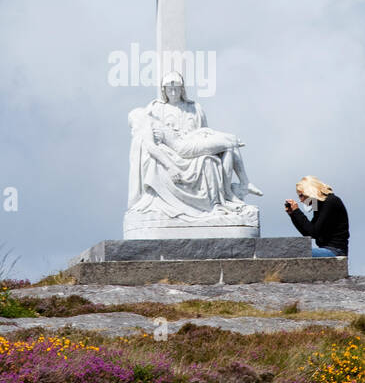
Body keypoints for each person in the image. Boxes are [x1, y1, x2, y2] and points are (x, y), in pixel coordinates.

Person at [127, 72, 262, 220]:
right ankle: (233, 191)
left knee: (224, 147)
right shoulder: (152, 112)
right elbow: (151, 145)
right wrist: (170, 165)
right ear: (163, 90)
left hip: (193, 142)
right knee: (229, 143)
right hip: (179, 150)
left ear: (182, 89)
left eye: (176, 88)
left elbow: (203, 131)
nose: (173, 92)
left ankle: (230, 192)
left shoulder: (194, 108)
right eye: (169, 89)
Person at [285, 175, 349, 257]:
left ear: (309, 191)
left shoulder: (330, 201)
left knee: (297, 253)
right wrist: (293, 215)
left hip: (336, 250)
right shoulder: (317, 203)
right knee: (289, 252)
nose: (301, 200)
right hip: (326, 249)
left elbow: (314, 232)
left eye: (301, 196)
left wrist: (297, 211)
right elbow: (308, 233)